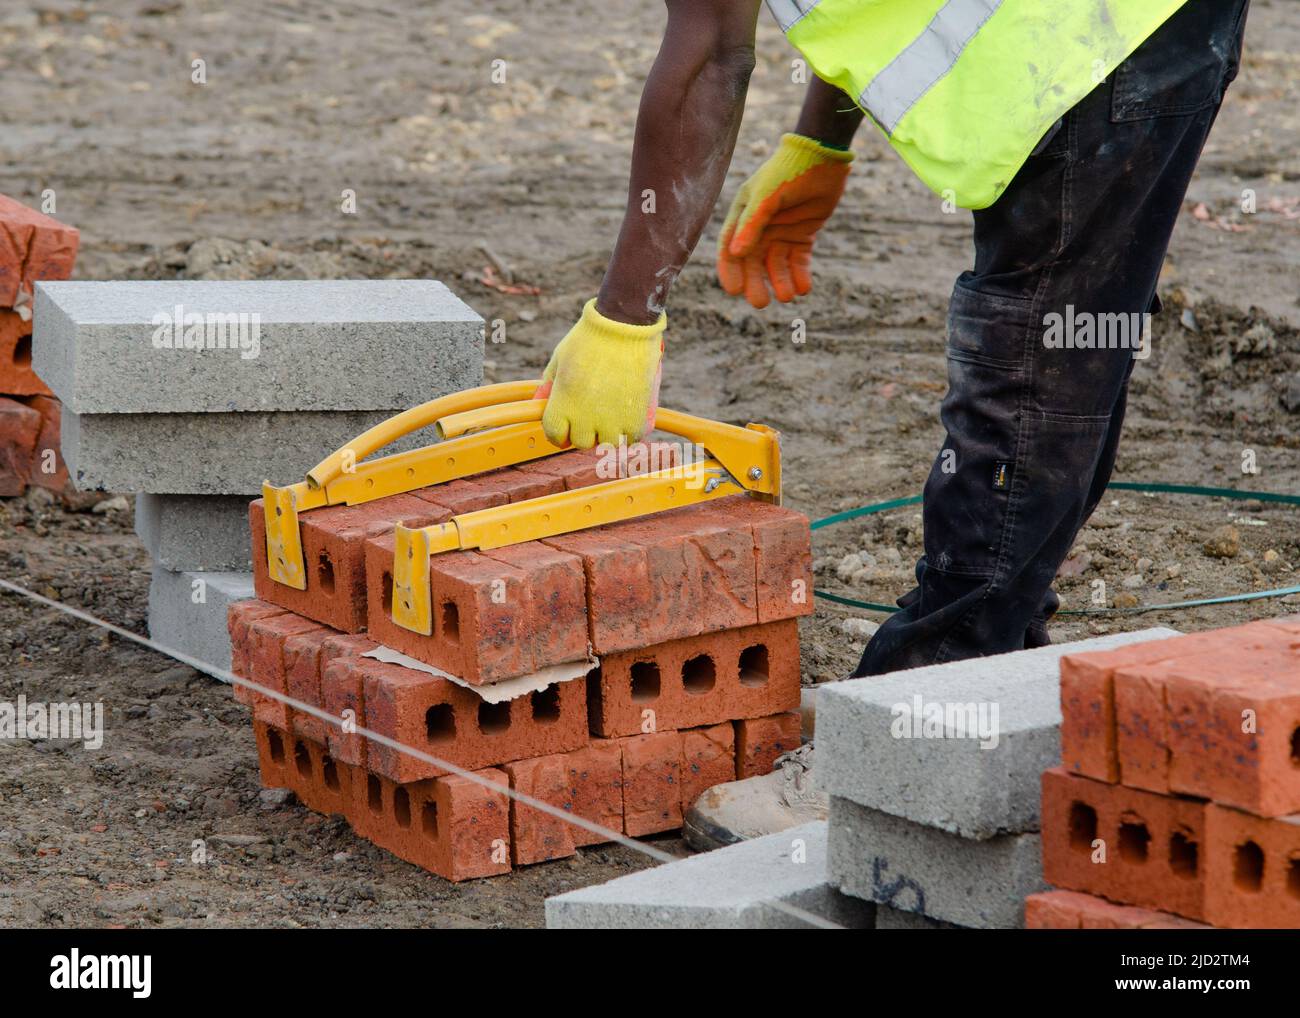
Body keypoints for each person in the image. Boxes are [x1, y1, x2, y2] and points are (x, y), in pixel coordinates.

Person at [535, 0, 1250, 678]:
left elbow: (712, 56)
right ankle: (1002, 642)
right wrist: (821, 139)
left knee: (1037, 346)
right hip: (1142, 25)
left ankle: (938, 682)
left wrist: (623, 321)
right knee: (1074, 323)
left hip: (1098, 34)